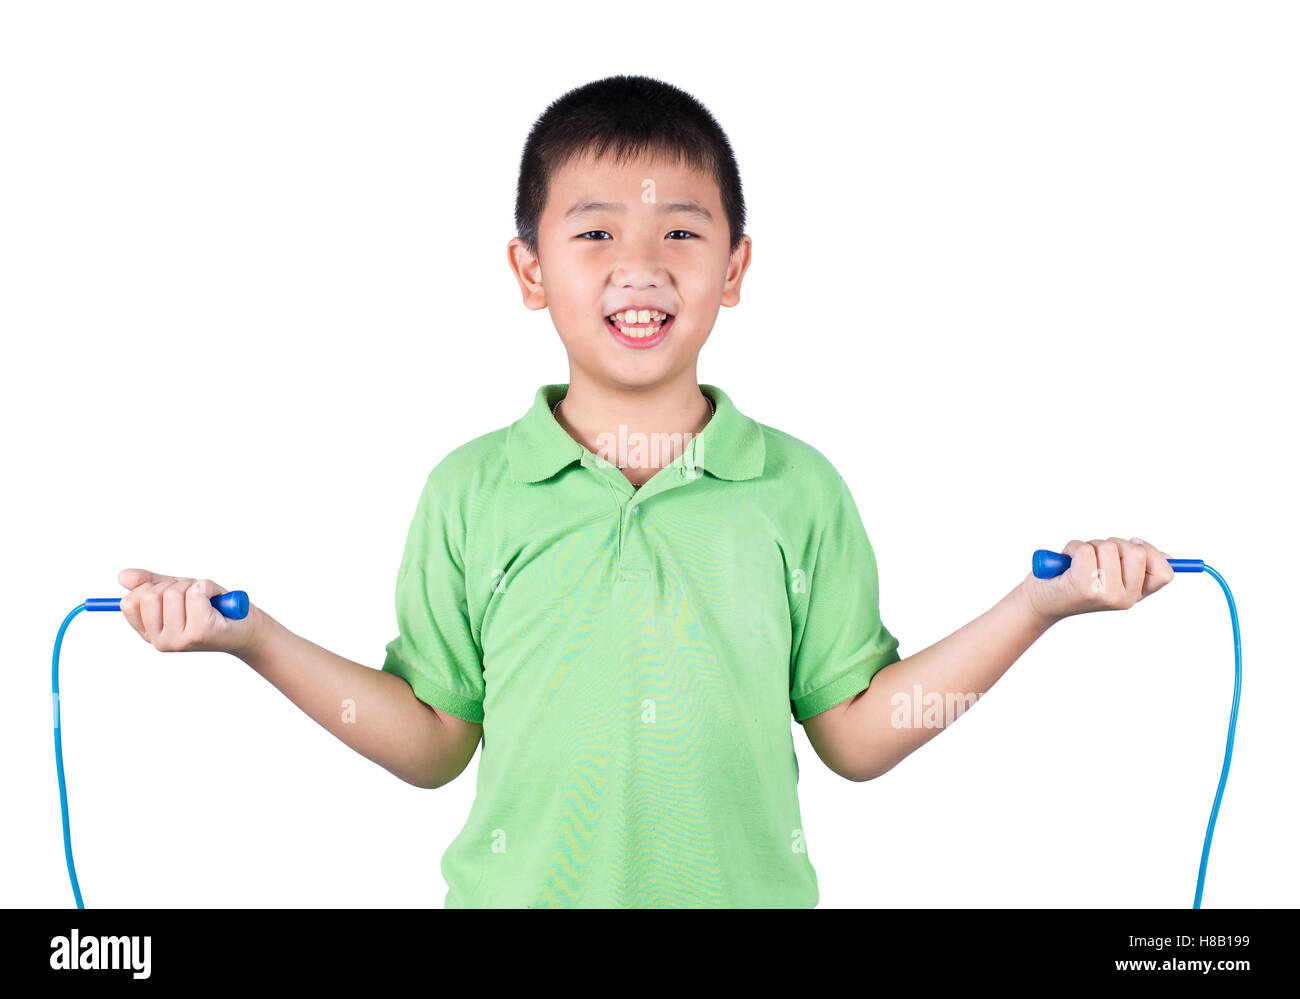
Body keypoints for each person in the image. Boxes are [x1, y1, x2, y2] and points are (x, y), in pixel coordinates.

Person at [116, 74, 1176, 908]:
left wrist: (1039, 607)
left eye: (680, 231)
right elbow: (433, 741)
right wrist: (249, 638)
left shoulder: (798, 491)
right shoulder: (469, 491)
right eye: (593, 234)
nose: (640, 266)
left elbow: (854, 736)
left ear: (735, 265)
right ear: (530, 272)